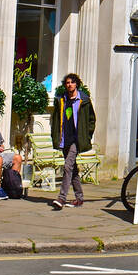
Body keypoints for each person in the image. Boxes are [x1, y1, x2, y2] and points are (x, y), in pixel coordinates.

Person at [50, 72, 96, 209]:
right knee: (73, 169)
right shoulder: (61, 99)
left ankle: (62, 198)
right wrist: (55, 136)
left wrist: (86, 135)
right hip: (65, 138)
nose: (69, 85)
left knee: (67, 166)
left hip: (77, 139)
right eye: (67, 83)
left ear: (77, 84)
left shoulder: (84, 100)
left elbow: (91, 119)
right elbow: (56, 119)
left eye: (72, 82)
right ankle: (79, 198)